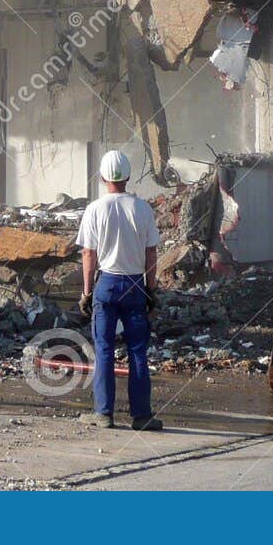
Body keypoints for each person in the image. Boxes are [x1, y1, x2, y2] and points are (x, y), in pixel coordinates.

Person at [74, 150, 163, 431]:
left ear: (102, 178)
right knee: (138, 350)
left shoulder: (95, 210)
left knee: (104, 349)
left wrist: (86, 292)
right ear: (128, 176)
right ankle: (141, 416)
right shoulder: (143, 209)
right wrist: (152, 289)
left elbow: (89, 255)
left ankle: (103, 413)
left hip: (107, 285)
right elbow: (151, 255)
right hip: (136, 285)